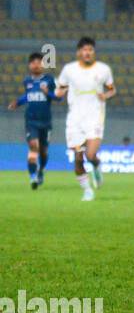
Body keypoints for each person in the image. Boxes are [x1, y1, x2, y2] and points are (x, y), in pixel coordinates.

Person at [54, 37, 115, 201]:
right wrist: (58, 93)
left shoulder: (103, 69)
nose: (87, 52)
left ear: (94, 52)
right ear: (79, 52)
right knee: (78, 158)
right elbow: (60, 90)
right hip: (74, 119)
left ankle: (96, 165)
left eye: (90, 50)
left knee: (90, 154)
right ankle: (87, 190)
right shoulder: (69, 70)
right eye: (84, 50)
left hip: (95, 116)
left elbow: (112, 89)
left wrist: (106, 95)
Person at [8, 51, 57, 189]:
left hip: (46, 122)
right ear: (29, 65)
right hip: (31, 121)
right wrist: (17, 102)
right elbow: (28, 96)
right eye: (33, 62)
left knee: (43, 152)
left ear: (43, 65)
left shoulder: (49, 80)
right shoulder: (27, 81)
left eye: (39, 62)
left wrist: (49, 93)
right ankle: (32, 177)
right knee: (33, 147)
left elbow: (58, 98)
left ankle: (41, 170)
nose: (36, 65)